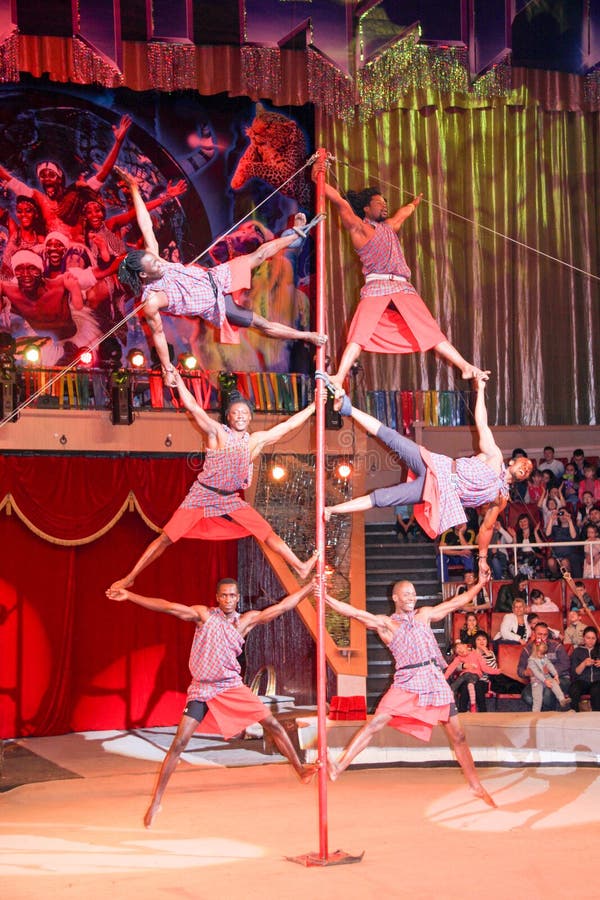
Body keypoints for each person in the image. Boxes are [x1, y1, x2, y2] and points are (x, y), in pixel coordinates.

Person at [105, 577, 318, 826]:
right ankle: (156, 801)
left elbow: (280, 608)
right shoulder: (204, 616)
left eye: (232, 596)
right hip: (201, 689)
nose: (228, 600)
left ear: (238, 598)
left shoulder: (244, 621)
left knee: (272, 723)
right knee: (179, 742)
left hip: (229, 686)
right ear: (217, 598)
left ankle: (300, 770)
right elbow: (169, 607)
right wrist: (130, 596)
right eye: (224, 596)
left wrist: (307, 589)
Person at [114, 166, 326, 385]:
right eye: (154, 266)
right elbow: (158, 335)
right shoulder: (152, 299)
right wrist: (167, 369)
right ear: (142, 275)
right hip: (216, 305)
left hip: (216, 277)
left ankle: (296, 235)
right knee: (262, 324)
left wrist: (133, 188)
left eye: (156, 260)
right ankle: (307, 336)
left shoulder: (153, 258)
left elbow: (145, 225)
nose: (159, 263)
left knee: (259, 254)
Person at [109, 372, 318, 590]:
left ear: (250, 417)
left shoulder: (256, 440)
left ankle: (301, 567)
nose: (240, 416)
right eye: (235, 413)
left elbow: (289, 426)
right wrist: (179, 380)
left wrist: (314, 407)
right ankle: (130, 577)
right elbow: (194, 407)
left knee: (266, 532)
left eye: (244, 413)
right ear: (228, 417)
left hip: (229, 499)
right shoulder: (218, 433)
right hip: (202, 494)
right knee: (166, 538)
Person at [311, 160, 489, 393]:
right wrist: (318, 178)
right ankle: (339, 376)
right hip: (376, 285)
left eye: (385, 204)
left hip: (404, 287)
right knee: (359, 331)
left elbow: (402, 214)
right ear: (366, 208)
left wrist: (414, 203)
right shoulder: (359, 228)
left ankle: (465, 366)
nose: (384, 207)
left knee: (430, 329)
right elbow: (339, 202)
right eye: (379, 203)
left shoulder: (389, 227)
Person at [323, 375, 533, 570]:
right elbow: (482, 424)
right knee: (391, 437)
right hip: (437, 466)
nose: (527, 467)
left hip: (438, 491)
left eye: (529, 470)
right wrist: (480, 389)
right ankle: (347, 407)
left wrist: (483, 559)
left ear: (522, 478)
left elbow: (487, 528)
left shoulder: (501, 498)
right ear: (513, 461)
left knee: (384, 498)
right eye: (525, 462)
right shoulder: (495, 456)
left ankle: (333, 509)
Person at [324, 574, 497, 806]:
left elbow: (455, 603)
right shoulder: (387, 624)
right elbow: (354, 613)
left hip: (433, 679)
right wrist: (324, 597)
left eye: (413, 593)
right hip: (407, 681)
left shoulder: (424, 615)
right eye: (406, 594)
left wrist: (479, 585)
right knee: (374, 723)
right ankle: (337, 766)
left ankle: (475, 786)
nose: (411, 597)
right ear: (395, 597)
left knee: (459, 735)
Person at [517, 621, 570, 711]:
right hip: (538, 679)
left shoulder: (556, 646)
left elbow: (566, 664)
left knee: (547, 691)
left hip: (560, 678)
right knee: (527, 696)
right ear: (533, 633)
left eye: (545, 635)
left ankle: (548, 715)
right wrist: (526, 672)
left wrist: (550, 670)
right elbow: (520, 670)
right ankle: (547, 713)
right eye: (539, 634)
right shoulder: (527, 649)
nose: (542, 637)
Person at [445, 639, 499, 713]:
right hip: (465, 677)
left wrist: (496, 671)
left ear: (465, 646)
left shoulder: (479, 654)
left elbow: (485, 668)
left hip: (479, 678)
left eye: (483, 639)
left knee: (475, 686)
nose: (460, 650)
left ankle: (481, 711)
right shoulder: (459, 658)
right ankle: (459, 710)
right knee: (459, 687)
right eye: (458, 651)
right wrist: (445, 677)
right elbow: (452, 667)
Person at [528, 641, 570, 711]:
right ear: (536, 651)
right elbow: (536, 673)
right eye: (542, 654)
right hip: (537, 680)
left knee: (555, 684)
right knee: (538, 698)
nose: (543, 656)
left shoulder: (544, 657)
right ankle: (535, 712)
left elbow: (550, 665)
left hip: (547, 677)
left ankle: (562, 700)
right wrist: (545, 681)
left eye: (544, 654)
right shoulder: (531, 660)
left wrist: (555, 674)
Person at [569, 627, 600, 711]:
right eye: (588, 638)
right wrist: (583, 664)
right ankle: (575, 715)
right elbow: (574, 673)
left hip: (597, 681)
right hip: (582, 681)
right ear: (584, 638)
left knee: (597, 690)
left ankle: (597, 716)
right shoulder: (577, 651)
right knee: (574, 688)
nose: (591, 640)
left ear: (596, 639)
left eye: (593, 638)